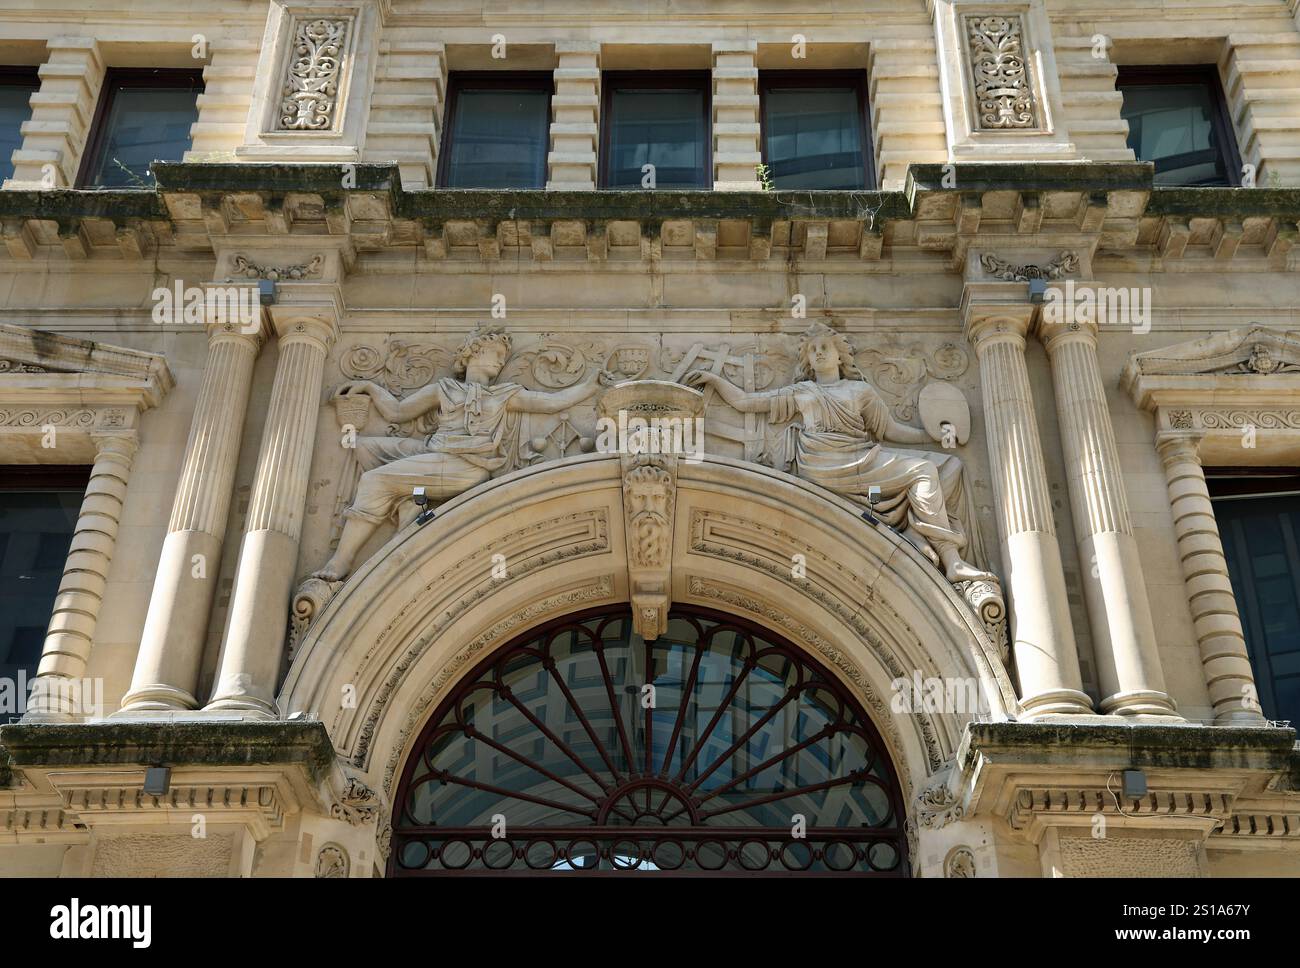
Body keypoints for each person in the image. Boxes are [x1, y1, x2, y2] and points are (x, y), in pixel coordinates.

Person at [686, 323, 994, 584]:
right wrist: (715, 380)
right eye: (812, 349)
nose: (818, 352)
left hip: (863, 457)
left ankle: (917, 533)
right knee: (924, 472)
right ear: (807, 359)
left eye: (825, 347)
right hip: (823, 464)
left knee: (950, 466)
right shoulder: (802, 391)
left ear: (839, 354)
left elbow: (891, 431)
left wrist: (932, 437)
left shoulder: (860, 391)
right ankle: (951, 559)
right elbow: (744, 402)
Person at [314, 326, 601, 581]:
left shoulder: (502, 395)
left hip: (465, 466)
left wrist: (592, 386)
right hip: (436, 454)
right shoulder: (444, 389)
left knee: (374, 481)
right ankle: (408, 504)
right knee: (364, 446)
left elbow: (552, 403)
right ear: (472, 352)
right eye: (496, 352)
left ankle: (342, 561)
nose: (501, 360)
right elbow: (397, 412)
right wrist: (370, 387)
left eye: (503, 355)